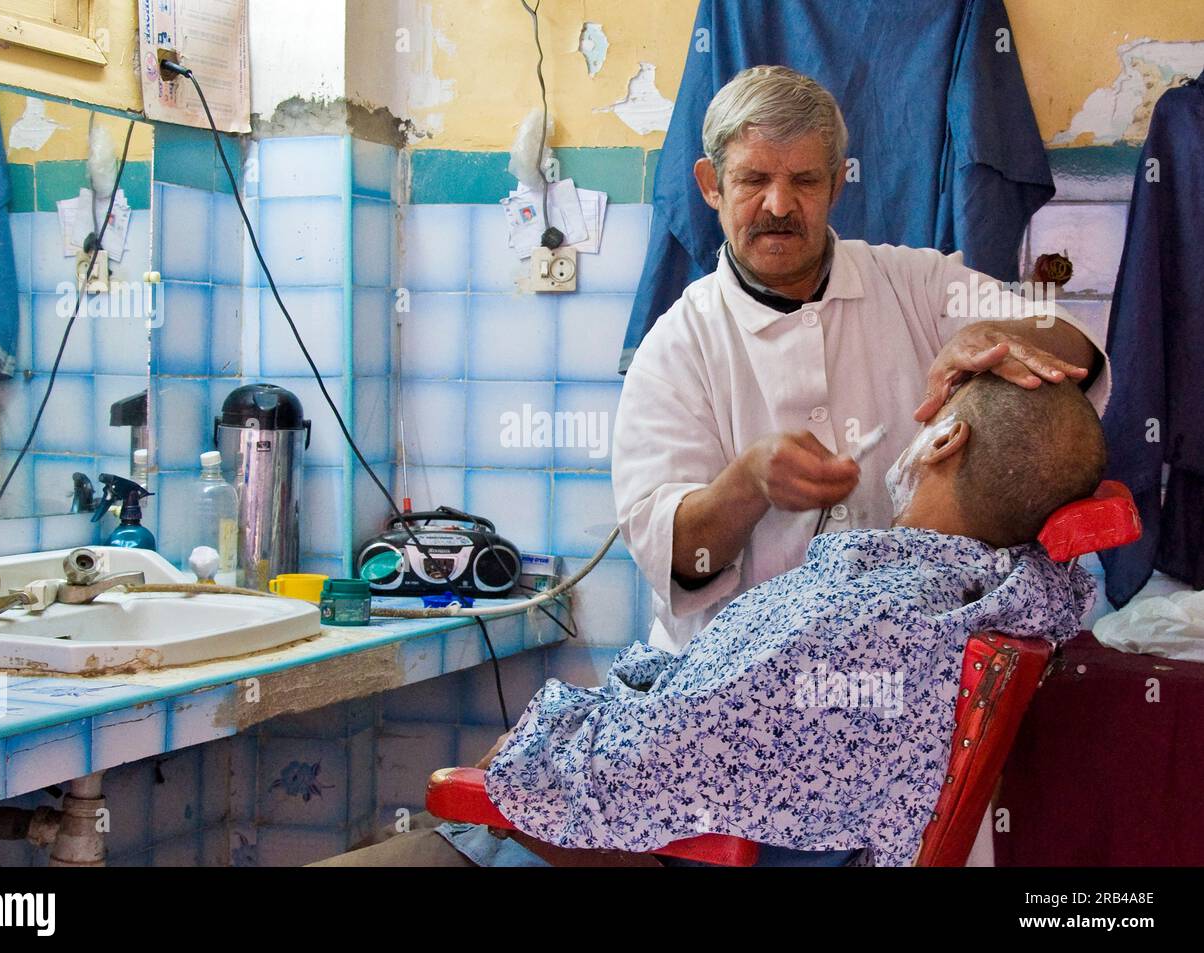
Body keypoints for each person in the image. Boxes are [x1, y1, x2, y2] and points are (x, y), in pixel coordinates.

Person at [314, 374, 1105, 867]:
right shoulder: (992, 599)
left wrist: (528, 753)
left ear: (947, 438)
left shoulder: (860, 625)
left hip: (628, 841)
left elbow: (632, 771)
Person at [612, 65, 1110, 654]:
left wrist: (994, 332)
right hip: (734, 677)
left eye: (804, 180)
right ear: (710, 184)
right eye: (753, 180)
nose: (778, 204)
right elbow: (670, 555)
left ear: (837, 184)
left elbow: (1074, 342)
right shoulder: (676, 346)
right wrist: (747, 485)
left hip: (901, 667)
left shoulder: (916, 281)